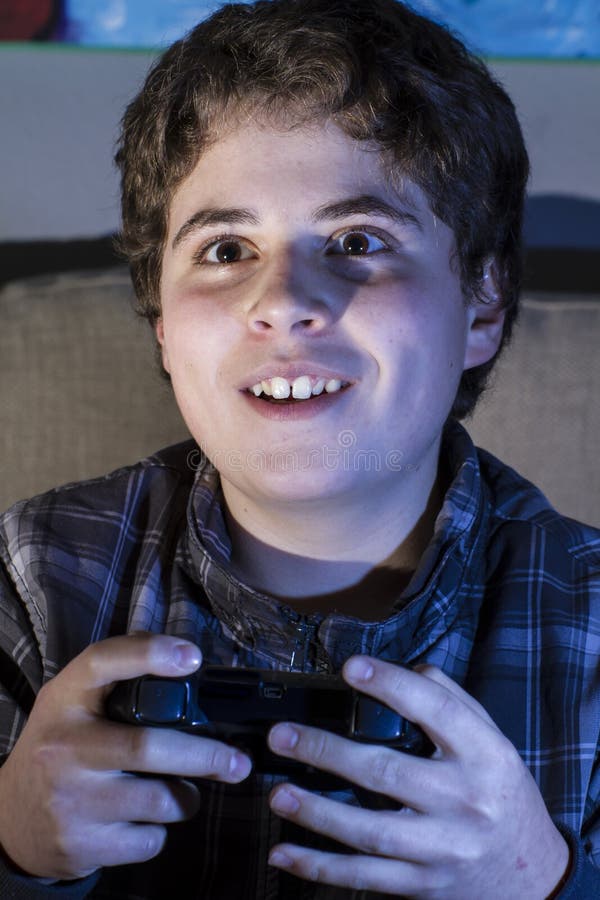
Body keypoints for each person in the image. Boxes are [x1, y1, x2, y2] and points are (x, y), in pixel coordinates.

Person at [0, 0, 598, 896]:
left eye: (357, 241)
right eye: (227, 247)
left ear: (482, 304)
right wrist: (11, 846)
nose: (281, 301)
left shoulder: (589, 622)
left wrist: (544, 880)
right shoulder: (32, 576)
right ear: (163, 323)